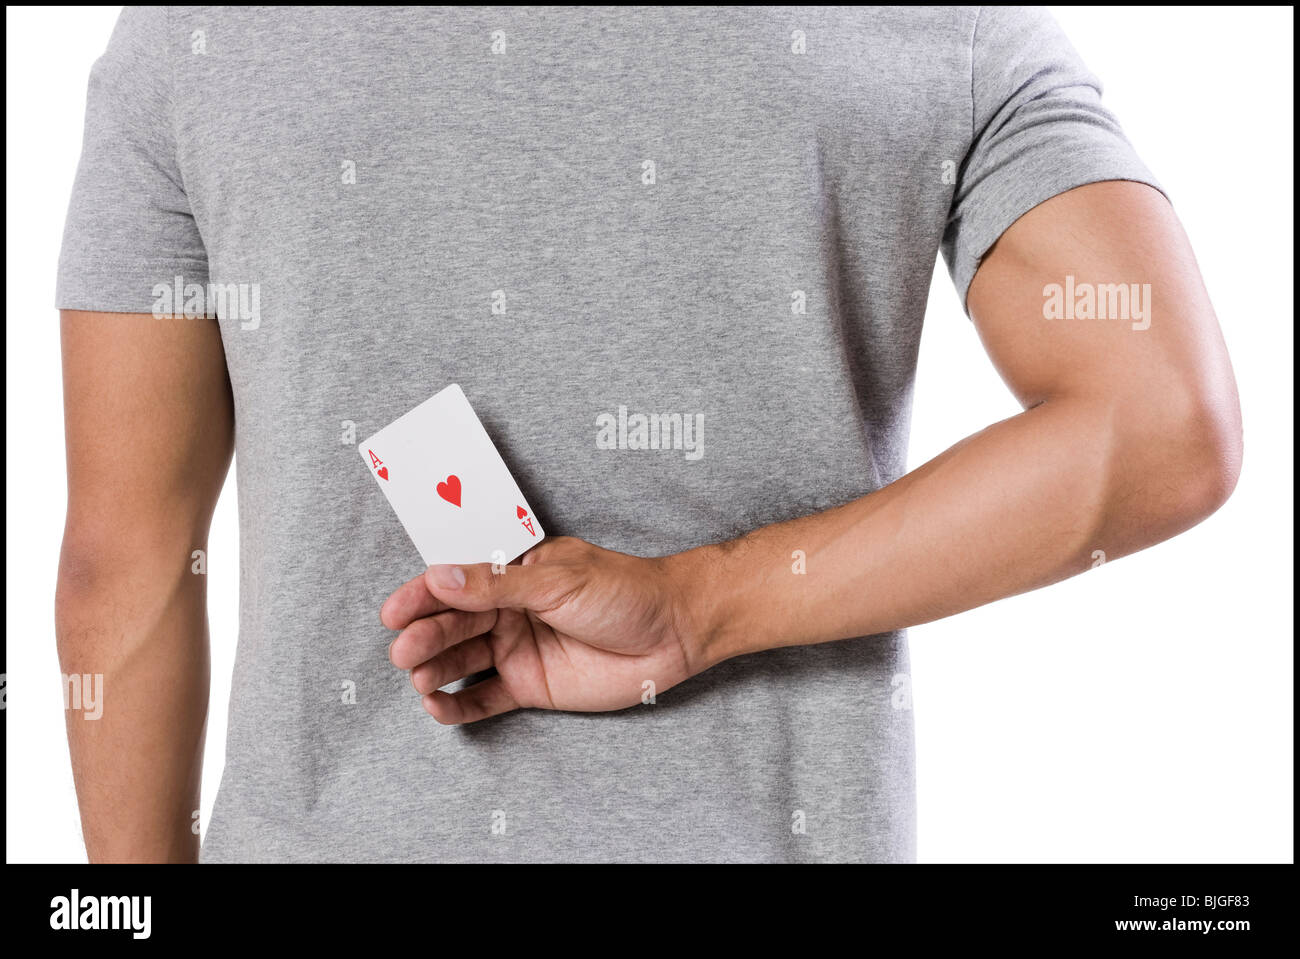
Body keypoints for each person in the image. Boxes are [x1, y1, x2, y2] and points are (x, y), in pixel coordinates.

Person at [55, 7, 1241, 863]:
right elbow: (1161, 426)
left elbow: (126, 559)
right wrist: (701, 605)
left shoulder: (191, 36)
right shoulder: (943, 28)